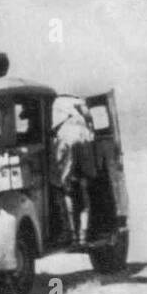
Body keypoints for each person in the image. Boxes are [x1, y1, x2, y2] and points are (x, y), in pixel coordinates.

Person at [51, 96, 97, 245]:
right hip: (83, 150)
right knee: (84, 196)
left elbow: (60, 155)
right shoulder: (81, 119)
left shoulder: (62, 125)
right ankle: (83, 234)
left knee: (67, 192)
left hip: (67, 150)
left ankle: (71, 233)